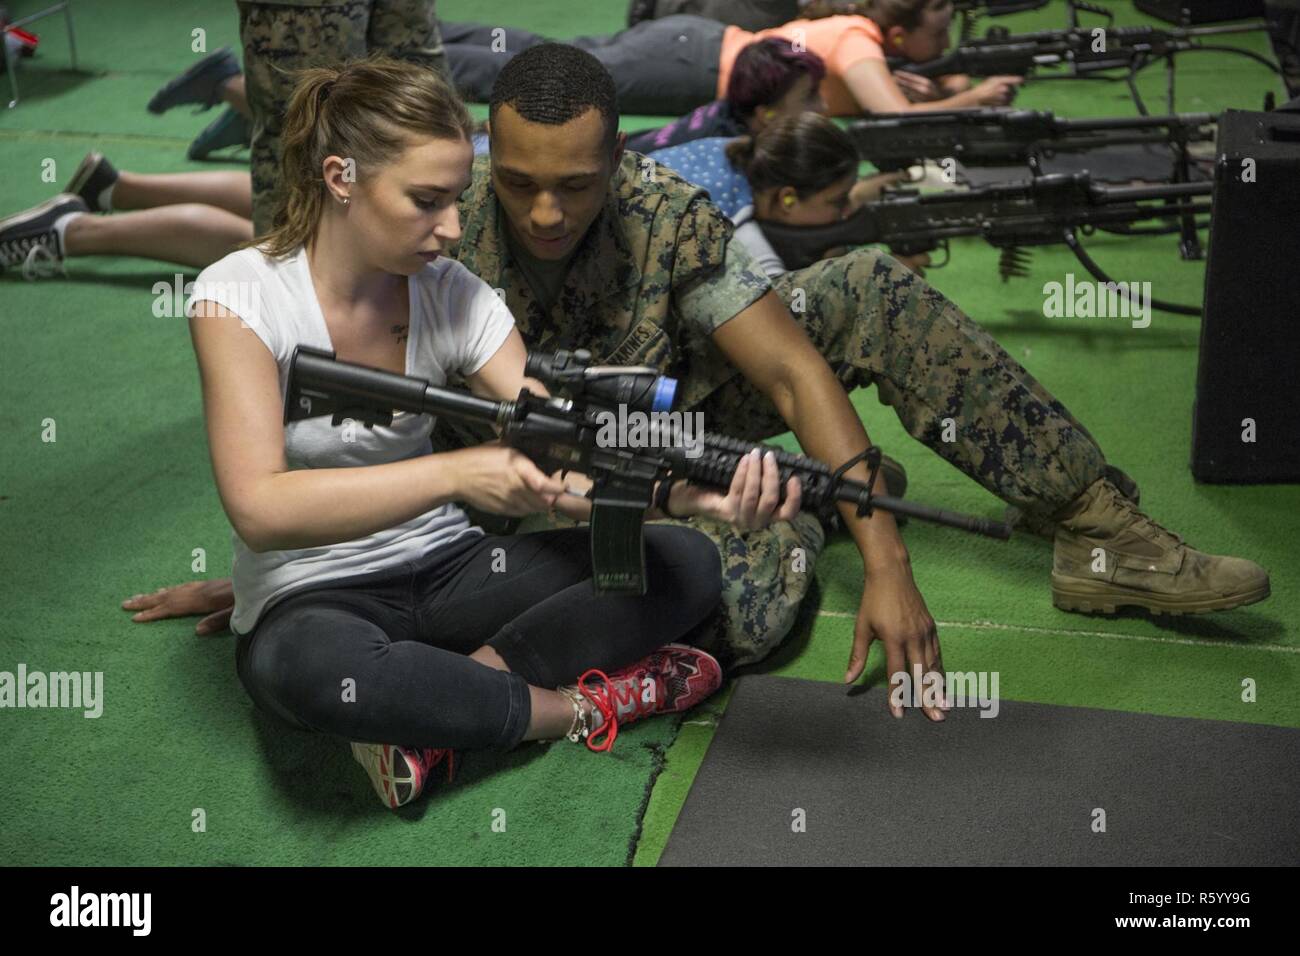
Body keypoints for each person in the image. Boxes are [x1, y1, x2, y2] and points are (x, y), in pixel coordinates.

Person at [124, 44, 1271, 717]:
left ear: (618, 162)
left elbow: (791, 369)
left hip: (678, 422)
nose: (543, 211)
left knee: (858, 290)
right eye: (516, 181)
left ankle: (1098, 529)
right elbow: (351, 391)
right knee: (750, 589)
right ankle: (726, 559)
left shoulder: (666, 212)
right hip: (521, 484)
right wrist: (289, 566)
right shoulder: (435, 227)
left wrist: (886, 553)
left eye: (574, 185)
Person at [181, 55, 800, 809]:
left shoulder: (454, 294)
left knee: (683, 562)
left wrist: (690, 500)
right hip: (310, 596)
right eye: (426, 201)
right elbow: (260, 508)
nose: (451, 228)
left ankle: (433, 710)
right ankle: (579, 709)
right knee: (310, 674)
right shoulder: (240, 294)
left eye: (456, 199)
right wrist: (456, 475)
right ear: (341, 178)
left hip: (452, 571)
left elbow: (560, 459)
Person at [442, 0, 1021, 117]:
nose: (945, 47)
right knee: (553, 73)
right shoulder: (858, 42)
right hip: (691, 66)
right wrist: (974, 97)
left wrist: (947, 89)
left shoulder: (862, 40)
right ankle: (424, 62)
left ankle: (430, 36)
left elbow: (894, 96)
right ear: (899, 33)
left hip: (690, 45)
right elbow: (893, 118)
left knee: (553, 55)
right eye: (939, 35)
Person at [624, 37, 826, 154]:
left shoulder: (734, 112)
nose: (824, 107)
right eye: (809, 97)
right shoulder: (727, 159)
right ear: (766, 116)